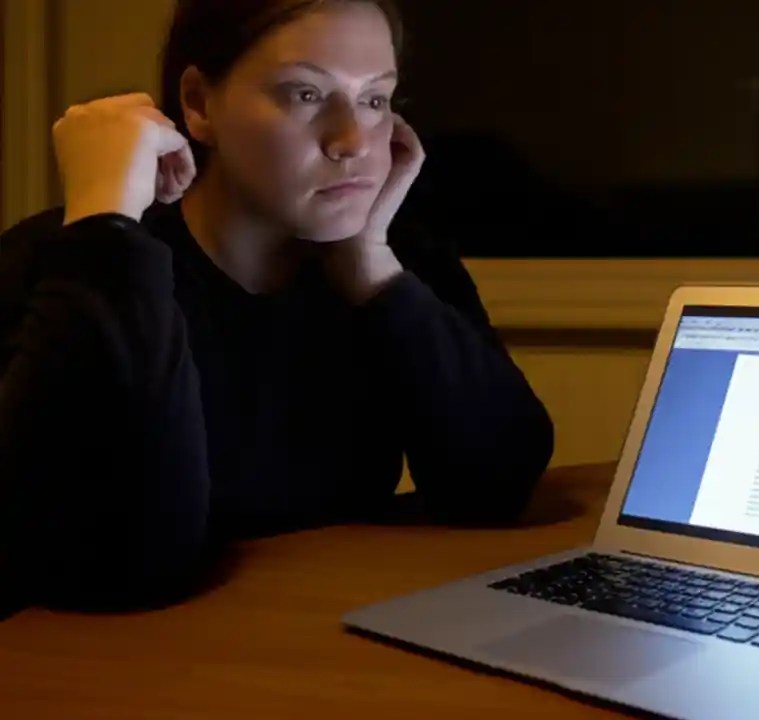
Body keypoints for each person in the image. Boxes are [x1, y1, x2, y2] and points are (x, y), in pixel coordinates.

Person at [0, 0, 554, 613]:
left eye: (375, 100)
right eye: (306, 95)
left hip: (315, 650)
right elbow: (127, 560)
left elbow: (497, 483)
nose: (352, 141)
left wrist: (373, 269)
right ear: (198, 104)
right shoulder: (69, 266)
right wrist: (107, 233)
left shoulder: (397, 262)